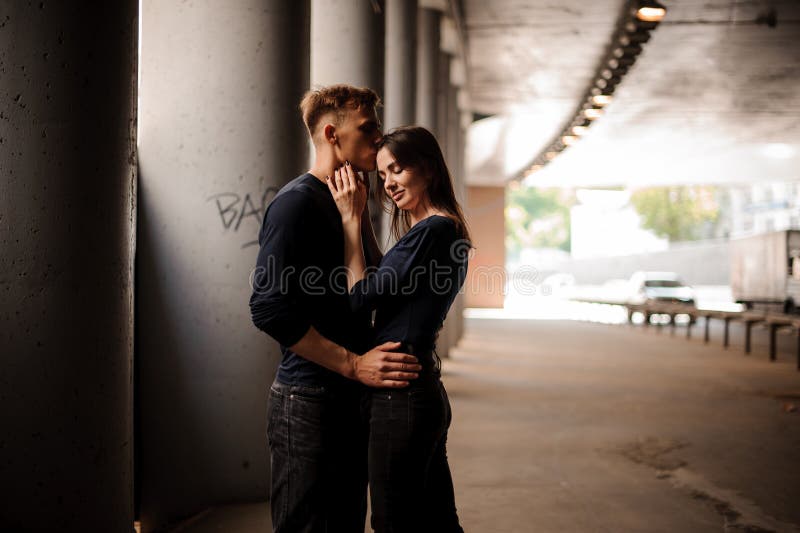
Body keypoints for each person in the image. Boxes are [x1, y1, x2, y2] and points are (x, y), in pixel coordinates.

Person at [249, 85, 422, 533]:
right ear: (331, 134)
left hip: (350, 399)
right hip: (308, 400)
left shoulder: (352, 198)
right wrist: (352, 364)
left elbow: (367, 289)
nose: (380, 138)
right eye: (368, 129)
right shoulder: (295, 204)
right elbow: (269, 308)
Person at [327, 126, 470, 532]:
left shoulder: (432, 232)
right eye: (383, 174)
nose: (388, 183)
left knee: (394, 520)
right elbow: (386, 275)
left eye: (398, 169)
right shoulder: (442, 230)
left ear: (428, 168)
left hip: (401, 394)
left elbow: (358, 297)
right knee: (439, 520)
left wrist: (351, 221)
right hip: (420, 389)